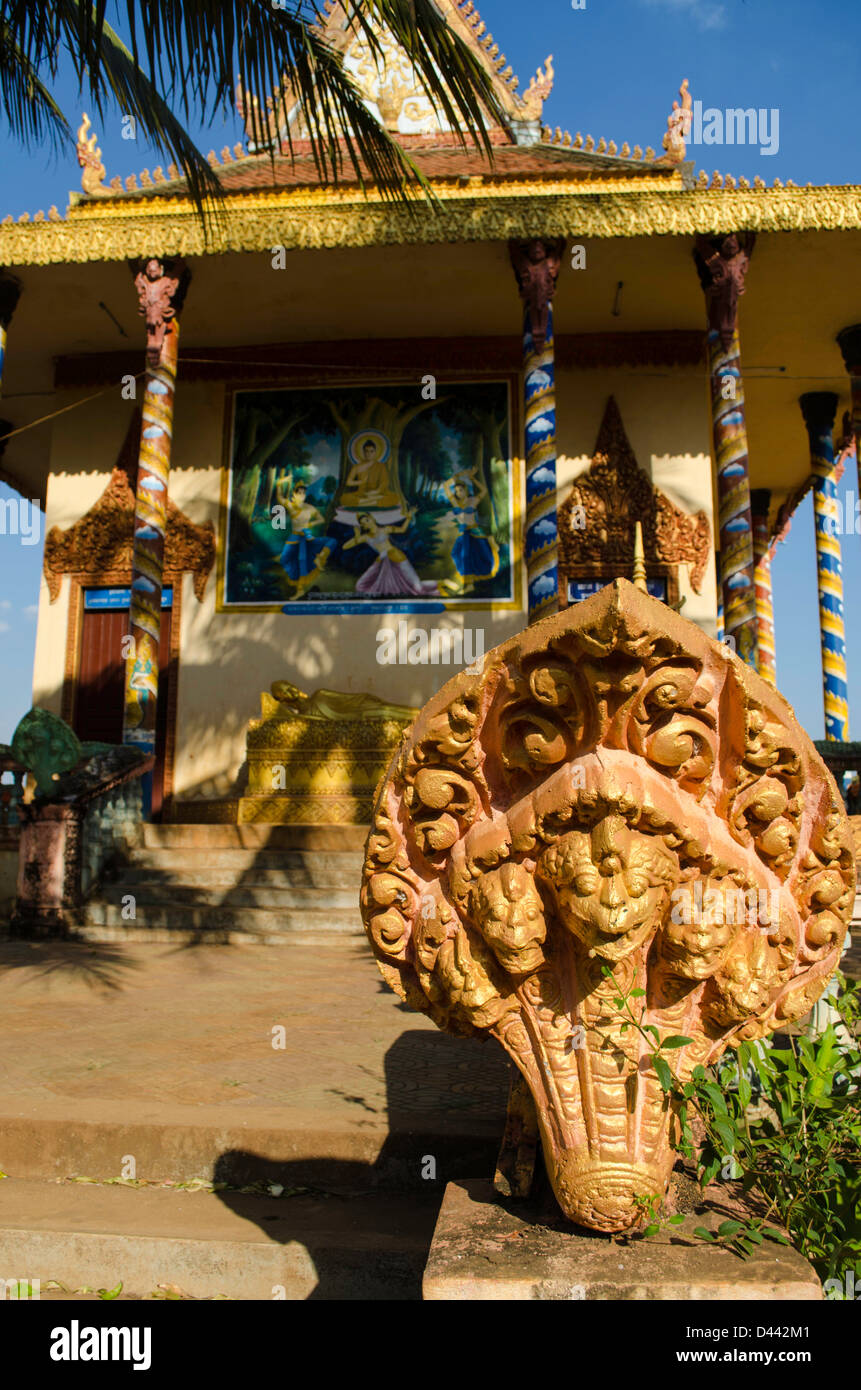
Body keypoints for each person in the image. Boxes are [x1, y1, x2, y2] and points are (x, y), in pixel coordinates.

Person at [344, 510, 438, 598]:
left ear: (372, 519)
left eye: (367, 520)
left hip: (397, 557)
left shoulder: (385, 529)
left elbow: (402, 530)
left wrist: (408, 518)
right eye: (363, 523)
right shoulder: (365, 537)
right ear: (363, 527)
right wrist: (357, 536)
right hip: (381, 563)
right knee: (360, 586)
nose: (367, 524)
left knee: (418, 589)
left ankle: (436, 585)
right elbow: (345, 546)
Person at [441, 467, 499, 589]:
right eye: (456, 491)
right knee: (456, 554)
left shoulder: (472, 501)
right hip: (463, 532)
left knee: (472, 555)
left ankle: (470, 583)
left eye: (460, 490)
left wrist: (472, 478)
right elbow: (446, 486)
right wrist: (460, 475)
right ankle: (467, 581)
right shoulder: (455, 502)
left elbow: (484, 490)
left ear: (466, 490)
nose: (458, 493)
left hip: (474, 531)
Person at [276, 476, 332, 597]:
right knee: (285, 559)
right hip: (293, 537)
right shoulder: (291, 505)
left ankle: (300, 589)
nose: (302, 495)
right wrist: (280, 482)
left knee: (302, 561)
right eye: (299, 493)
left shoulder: (310, 508)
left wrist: (311, 524)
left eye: (303, 493)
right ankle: (295, 580)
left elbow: (321, 519)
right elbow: (279, 497)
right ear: (294, 494)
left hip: (305, 537)